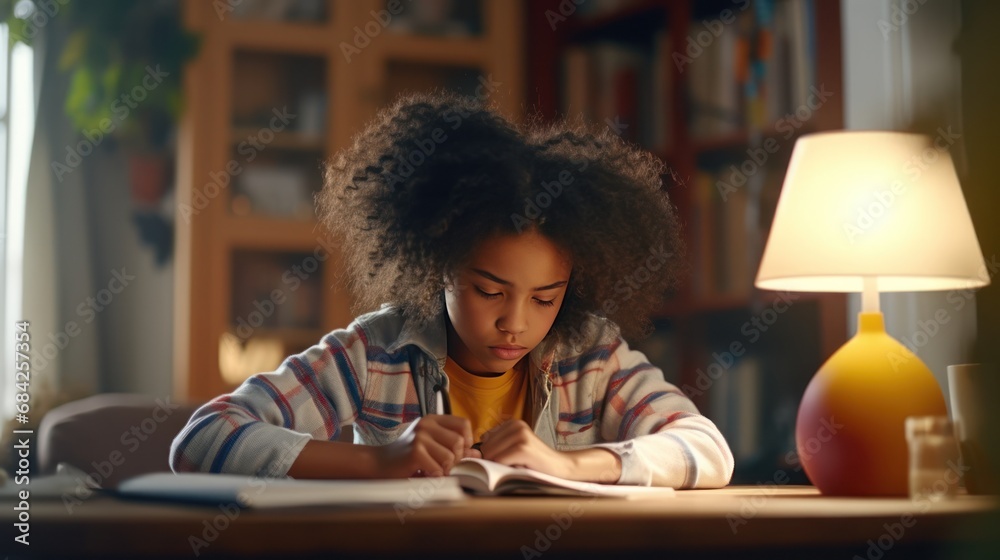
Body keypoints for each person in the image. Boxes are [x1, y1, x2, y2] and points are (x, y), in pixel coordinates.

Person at [170, 92, 734, 488]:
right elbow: (201, 441)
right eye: (489, 291)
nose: (516, 322)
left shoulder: (591, 354)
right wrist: (379, 464)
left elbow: (708, 451)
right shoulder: (375, 353)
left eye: (545, 297)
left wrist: (570, 465)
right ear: (438, 265)